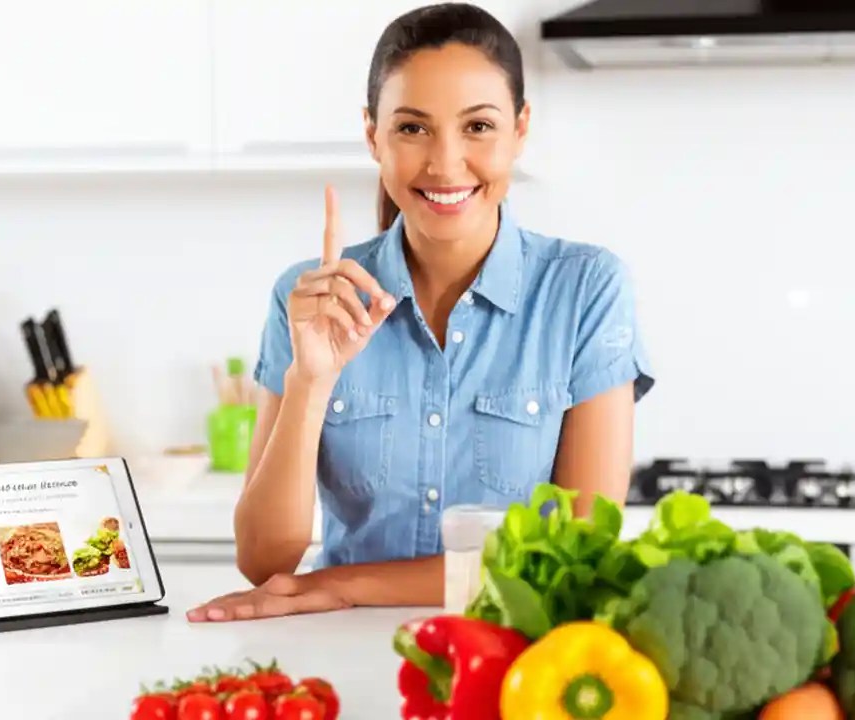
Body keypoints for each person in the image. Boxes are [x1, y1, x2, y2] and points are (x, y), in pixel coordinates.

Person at [187, 2, 654, 623]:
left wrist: (350, 584)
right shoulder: (310, 300)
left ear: (520, 129)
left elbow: (579, 549)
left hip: (519, 658)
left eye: (478, 127)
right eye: (412, 128)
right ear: (371, 135)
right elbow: (262, 558)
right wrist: (310, 383)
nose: (444, 162)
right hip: (339, 650)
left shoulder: (584, 289)